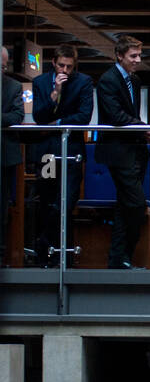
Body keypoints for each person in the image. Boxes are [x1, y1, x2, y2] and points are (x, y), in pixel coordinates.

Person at [31, 43, 94, 267]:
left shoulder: (83, 82)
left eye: (69, 67)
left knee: (65, 203)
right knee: (47, 201)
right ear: (53, 63)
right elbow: (39, 117)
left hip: (72, 152)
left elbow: (84, 117)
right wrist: (55, 92)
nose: (64, 71)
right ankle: (46, 253)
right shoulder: (39, 82)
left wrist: (57, 122)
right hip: (48, 152)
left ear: (74, 66)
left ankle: (59, 253)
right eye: (61, 66)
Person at [95, 36, 150, 269]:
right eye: (133, 56)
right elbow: (116, 117)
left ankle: (118, 259)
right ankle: (122, 255)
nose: (138, 60)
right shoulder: (108, 80)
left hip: (135, 150)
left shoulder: (134, 81)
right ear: (120, 56)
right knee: (137, 205)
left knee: (125, 205)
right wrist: (145, 128)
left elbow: (132, 115)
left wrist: (141, 129)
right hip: (117, 151)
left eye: (139, 56)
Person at [1, 47, 24, 267]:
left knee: (1, 209)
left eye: (4, 65)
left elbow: (17, 115)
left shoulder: (14, 86)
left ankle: (0, 255)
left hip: (4, 157)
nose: (4, 68)